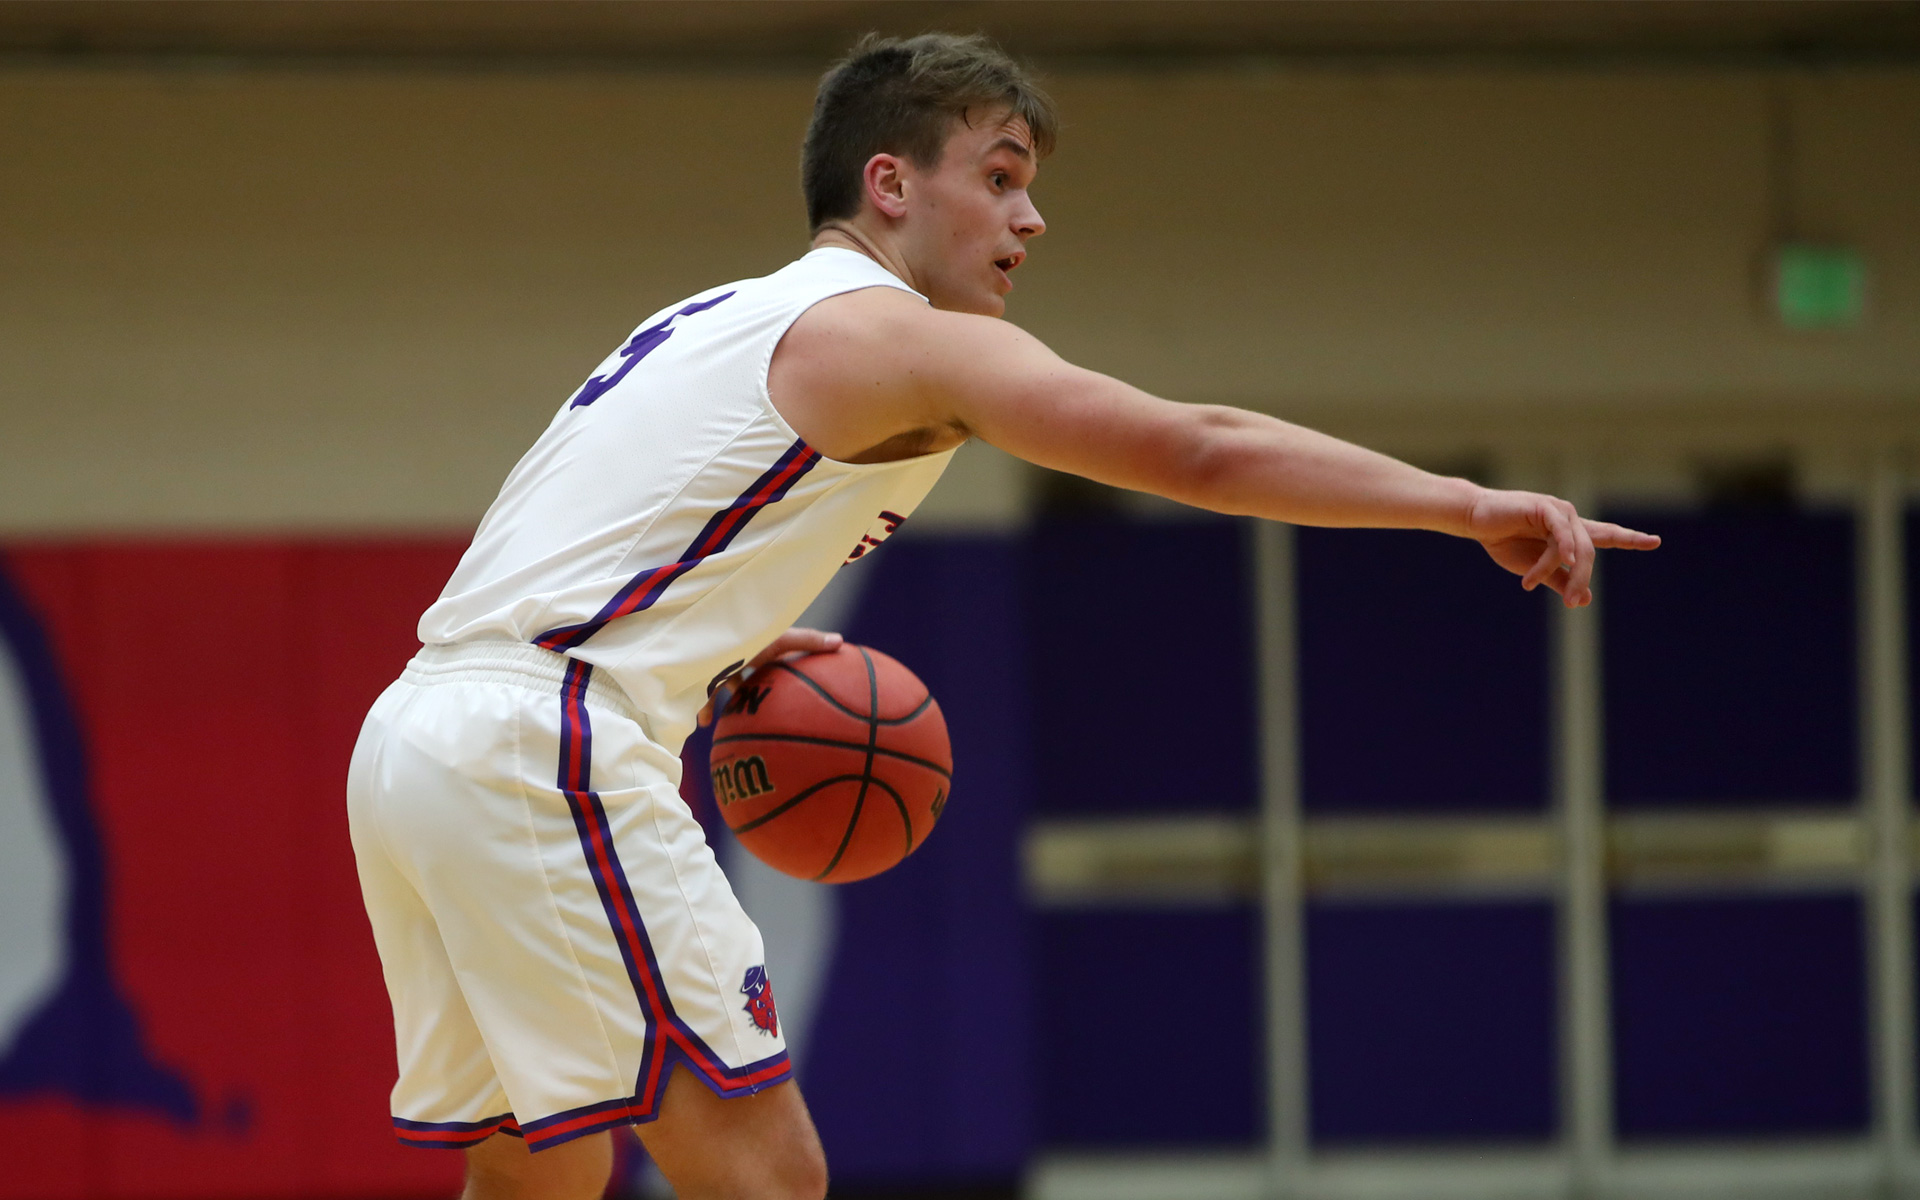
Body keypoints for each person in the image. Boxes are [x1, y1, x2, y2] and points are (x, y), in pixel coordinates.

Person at [346, 30, 1658, 1200]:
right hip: (546, 744)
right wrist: (1458, 502)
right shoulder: (900, 337)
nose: (1031, 217)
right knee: (765, 1175)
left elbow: (582, 550)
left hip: (415, 740)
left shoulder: (706, 320)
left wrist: (711, 646)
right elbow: (1196, 446)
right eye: (1001, 175)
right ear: (890, 183)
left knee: (538, 1165)